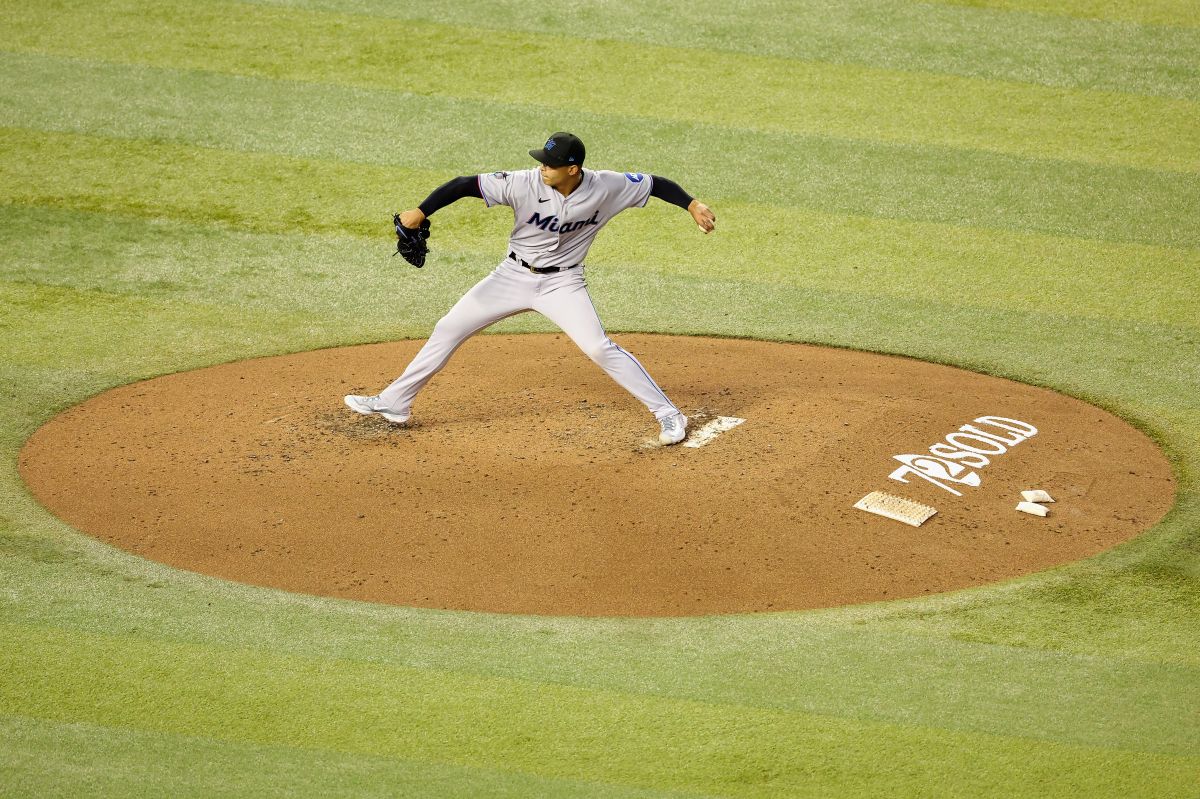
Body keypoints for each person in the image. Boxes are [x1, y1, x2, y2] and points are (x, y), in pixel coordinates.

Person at [345, 132, 716, 445]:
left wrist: (691, 204)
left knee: (599, 348)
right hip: (511, 276)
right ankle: (396, 402)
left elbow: (655, 184)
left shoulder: (607, 186)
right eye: (541, 160)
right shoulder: (521, 181)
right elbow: (463, 185)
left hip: (563, 282)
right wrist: (420, 211)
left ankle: (669, 415)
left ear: (573, 169)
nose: (542, 167)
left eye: (550, 163)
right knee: (449, 328)